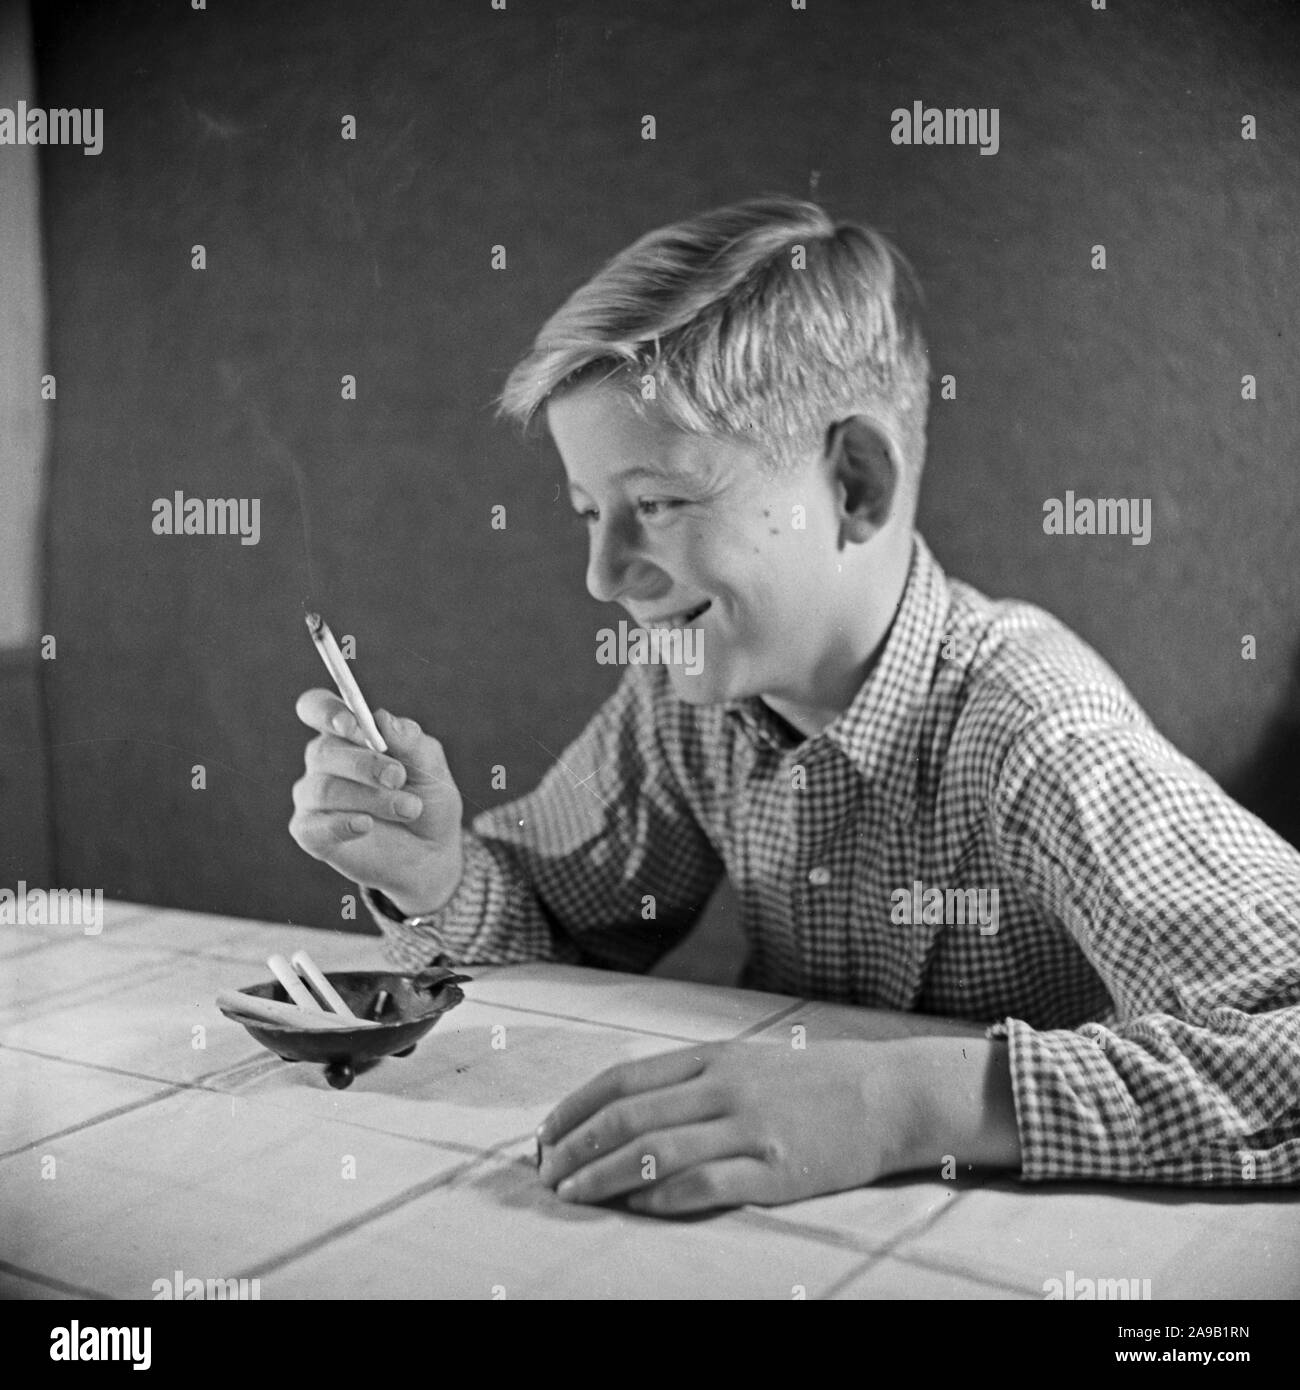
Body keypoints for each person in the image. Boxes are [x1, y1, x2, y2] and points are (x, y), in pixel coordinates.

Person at [289, 196, 1300, 1215]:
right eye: (589, 514)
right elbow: (562, 918)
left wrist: (895, 1103)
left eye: (658, 504)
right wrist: (436, 877)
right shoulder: (689, 701)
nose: (601, 575)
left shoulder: (1037, 733)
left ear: (853, 484)